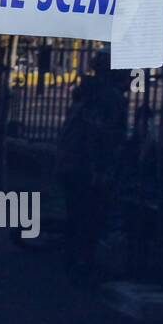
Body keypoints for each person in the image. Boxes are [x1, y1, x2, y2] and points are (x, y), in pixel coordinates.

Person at [55, 51, 127, 279]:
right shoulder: (109, 99)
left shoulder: (87, 92)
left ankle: (71, 262)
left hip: (69, 160)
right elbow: (102, 137)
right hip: (87, 166)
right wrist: (101, 169)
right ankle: (82, 265)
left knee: (75, 215)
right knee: (90, 217)